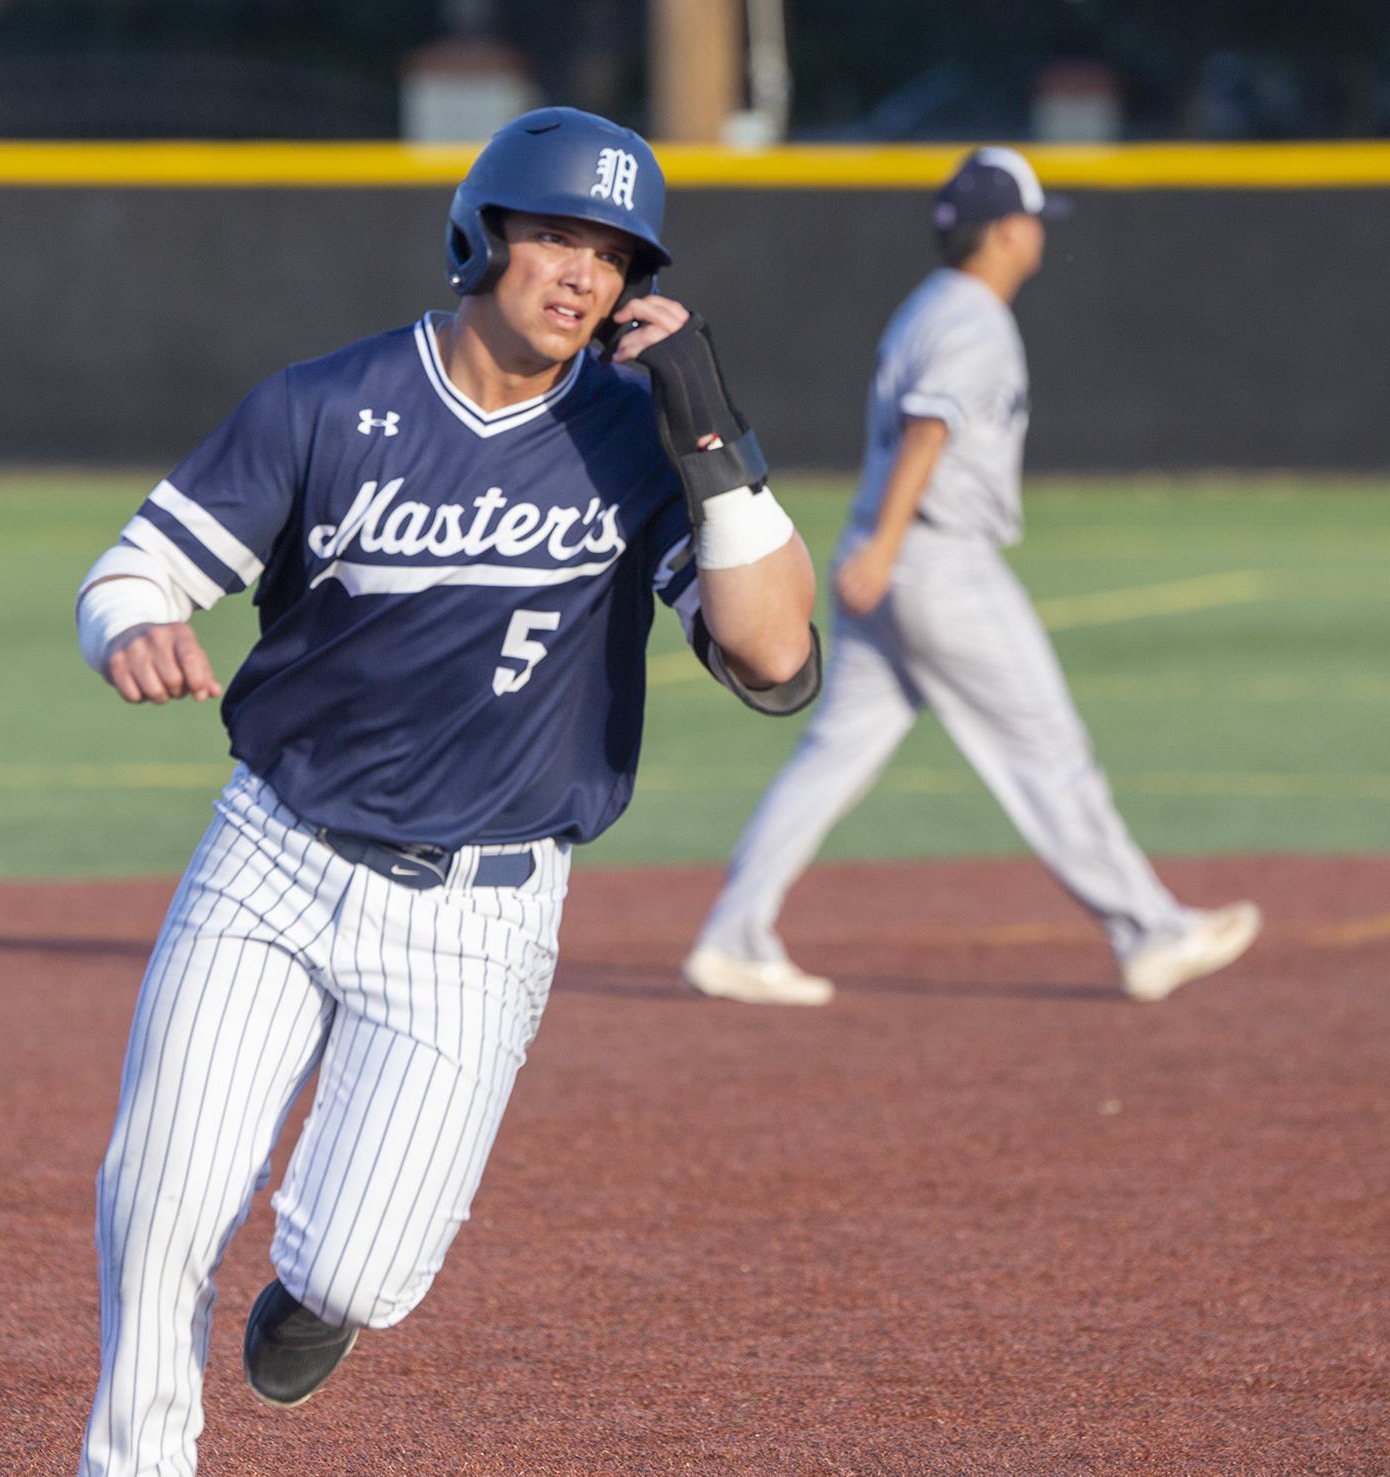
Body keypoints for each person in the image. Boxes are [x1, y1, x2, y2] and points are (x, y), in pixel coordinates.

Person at [70, 108, 818, 1477]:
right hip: (275, 856)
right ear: (481, 237)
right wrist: (134, 623)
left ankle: (322, 1294)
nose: (581, 274)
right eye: (555, 236)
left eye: (612, 254)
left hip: (483, 908)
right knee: (160, 1194)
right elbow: (133, 568)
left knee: (362, 1269)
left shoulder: (635, 439)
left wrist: (713, 432)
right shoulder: (323, 401)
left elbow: (775, 657)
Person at [682, 147, 1258, 1009]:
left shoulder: (930, 304)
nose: (1039, 234)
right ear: (1005, 231)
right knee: (1048, 751)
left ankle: (732, 936)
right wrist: (888, 546)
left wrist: (877, 547)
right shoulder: (975, 319)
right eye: (1031, 219)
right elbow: (929, 426)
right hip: (935, 558)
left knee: (832, 757)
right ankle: (1151, 931)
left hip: (887, 550)